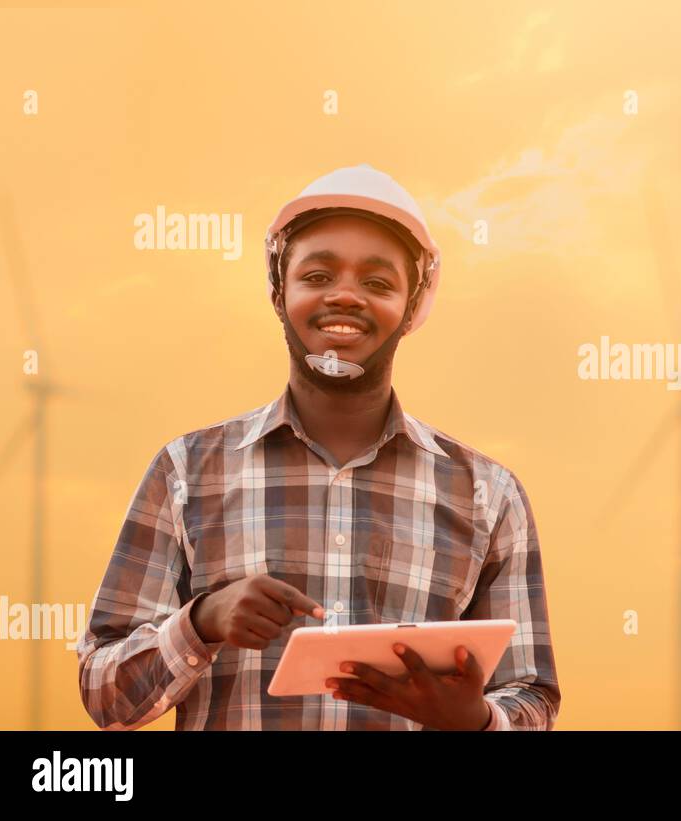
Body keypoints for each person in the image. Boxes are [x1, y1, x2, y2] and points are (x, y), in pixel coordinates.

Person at [77, 164, 560, 730]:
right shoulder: (185, 471)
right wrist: (201, 621)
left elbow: (531, 698)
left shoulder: (488, 494)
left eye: (378, 283)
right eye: (318, 275)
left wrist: (477, 720)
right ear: (279, 293)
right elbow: (105, 697)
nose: (346, 297)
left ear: (411, 307)